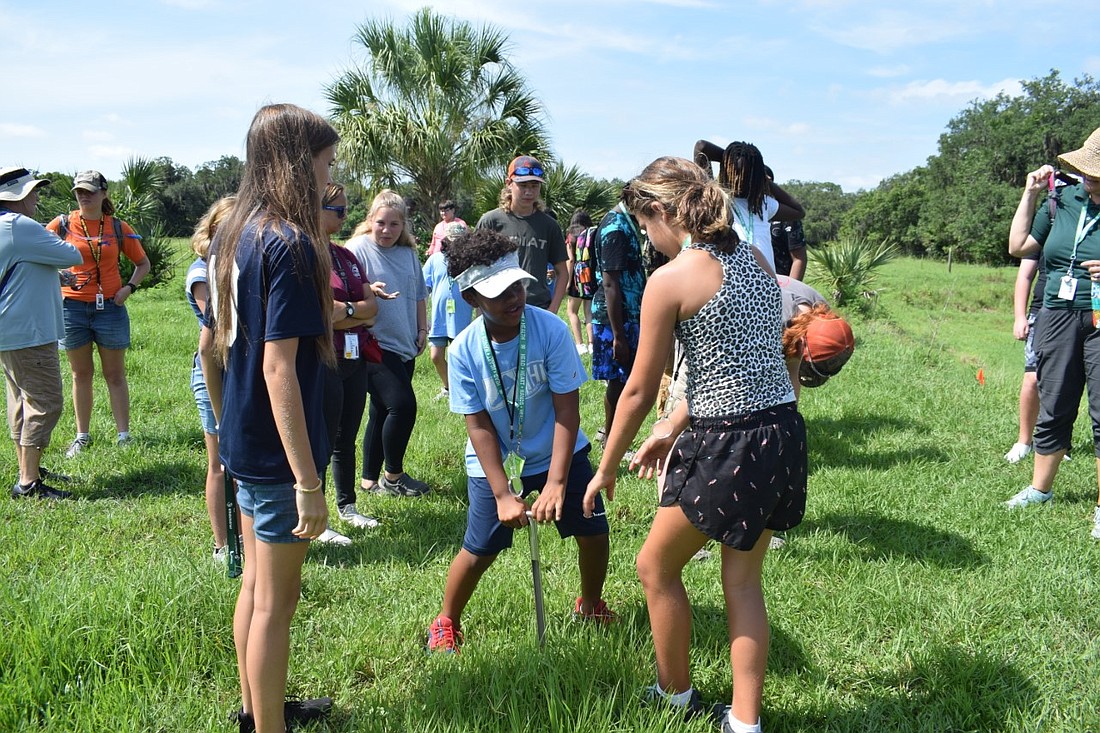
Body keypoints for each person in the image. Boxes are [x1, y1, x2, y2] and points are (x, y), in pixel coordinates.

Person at [584, 157, 806, 733]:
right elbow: (738, 361)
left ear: (662, 213)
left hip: (729, 443)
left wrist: (605, 469)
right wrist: (672, 425)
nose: (646, 240)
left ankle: (674, 694)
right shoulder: (755, 260)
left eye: (643, 225)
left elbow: (634, 390)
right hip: (780, 430)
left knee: (654, 565)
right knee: (743, 581)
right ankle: (745, 722)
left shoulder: (671, 279)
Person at [208, 103, 337, 733]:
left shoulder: (238, 229)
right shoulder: (287, 243)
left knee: (256, 588)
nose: (328, 175)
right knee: (276, 604)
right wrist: (308, 481)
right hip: (277, 449)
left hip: (243, 437)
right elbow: (278, 368)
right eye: (325, 162)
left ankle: (257, 708)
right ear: (297, 161)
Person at [425, 228, 613, 653]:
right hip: (493, 462)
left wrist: (557, 482)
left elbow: (568, 411)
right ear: (472, 298)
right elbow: (478, 426)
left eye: (517, 285)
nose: (514, 297)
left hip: (557, 451)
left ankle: (591, 603)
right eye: (498, 292)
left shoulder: (549, 329)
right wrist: (501, 494)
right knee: (479, 549)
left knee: (593, 531)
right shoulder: (463, 351)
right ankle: (446, 620)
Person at [1006, 127, 1100, 541]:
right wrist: (1030, 194)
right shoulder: (1061, 199)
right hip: (1058, 314)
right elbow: (1019, 245)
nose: (1091, 180)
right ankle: (1039, 490)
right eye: (1088, 173)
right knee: (1056, 401)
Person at [47, 170, 150, 457]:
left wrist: (129, 287)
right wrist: (57, 275)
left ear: (104, 193)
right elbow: (35, 258)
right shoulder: (62, 224)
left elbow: (143, 264)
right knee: (80, 374)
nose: (84, 195)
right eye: (80, 190)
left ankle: (124, 436)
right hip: (72, 308)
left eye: (90, 190)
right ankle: (82, 436)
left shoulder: (117, 226)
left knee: (115, 374)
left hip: (111, 309)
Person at [0, 167, 82, 500]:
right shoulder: (21, 227)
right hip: (29, 332)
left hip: (9, 331)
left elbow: (19, 266)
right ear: (16, 197)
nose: (36, 196)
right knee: (46, 402)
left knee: (20, 401)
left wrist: (53, 275)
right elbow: (72, 254)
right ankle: (29, 482)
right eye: (32, 192)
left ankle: (27, 468)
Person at [347, 190, 431, 497]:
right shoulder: (357, 249)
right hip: (372, 343)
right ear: (370, 221)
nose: (387, 230)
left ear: (403, 225)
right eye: (381, 222)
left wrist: (422, 329)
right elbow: (341, 292)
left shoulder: (409, 253)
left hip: (405, 343)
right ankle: (394, 477)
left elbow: (419, 293)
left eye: (394, 224)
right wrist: (369, 290)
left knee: (381, 410)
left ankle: (369, 481)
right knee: (403, 405)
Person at [320, 182, 384, 537]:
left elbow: (372, 310)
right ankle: (318, 518)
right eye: (340, 211)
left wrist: (345, 311)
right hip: (324, 358)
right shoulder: (307, 254)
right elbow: (319, 313)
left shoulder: (345, 256)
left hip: (354, 355)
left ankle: (347, 507)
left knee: (346, 437)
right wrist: (353, 311)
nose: (347, 217)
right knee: (321, 439)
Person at [186, 196, 235, 559]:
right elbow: (215, 336)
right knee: (219, 461)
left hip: (239, 373)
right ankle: (222, 545)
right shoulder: (203, 272)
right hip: (213, 374)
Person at [693, 140, 804, 274]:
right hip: (735, 284)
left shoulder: (762, 204)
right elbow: (702, 147)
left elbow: (798, 211)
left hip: (766, 285)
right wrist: (731, 158)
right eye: (736, 172)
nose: (740, 178)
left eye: (747, 174)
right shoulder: (718, 200)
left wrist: (760, 174)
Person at [476, 155, 569, 313]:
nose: (529, 191)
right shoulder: (491, 221)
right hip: (499, 309)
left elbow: (563, 272)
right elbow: (476, 269)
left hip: (537, 308)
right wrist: (482, 309)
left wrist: (552, 310)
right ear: (509, 184)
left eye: (534, 186)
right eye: (523, 185)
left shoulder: (549, 225)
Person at [590, 200, 648, 450]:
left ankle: (611, 435)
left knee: (623, 380)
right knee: (619, 380)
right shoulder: (615, 228)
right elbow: (610, 283)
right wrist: (618, 336)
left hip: (628, 316)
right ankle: (612, 441)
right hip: (616, 319)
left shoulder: (625, 223)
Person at [423, 221, 475, 401]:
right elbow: (423, 288)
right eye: (453, 240)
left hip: (462, 318)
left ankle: (461, 391)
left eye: (460, 241)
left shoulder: (470, 261)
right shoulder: (435, 259)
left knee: (458, 357)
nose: (456, 244)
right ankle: (448, 387)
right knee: (436, 356)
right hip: (439, 318)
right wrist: (423, 319)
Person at [1005, 253, 1044, 463]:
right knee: (1032, 378)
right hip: (1042, 312)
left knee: (1069, 382)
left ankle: (1060, 443)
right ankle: (1024, 441)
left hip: (1088, 310)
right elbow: (1025, 274)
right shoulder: (1049, 221)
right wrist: (1020, 316)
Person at [564, 209, 595, 354]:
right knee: (588, 312)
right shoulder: (591, 233)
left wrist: (568, 282)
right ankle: (591, 344)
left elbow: (570, 260)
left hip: (576, 278)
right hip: (589, 277)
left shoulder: (570, 236)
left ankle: (579, 344)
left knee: (572, 311)